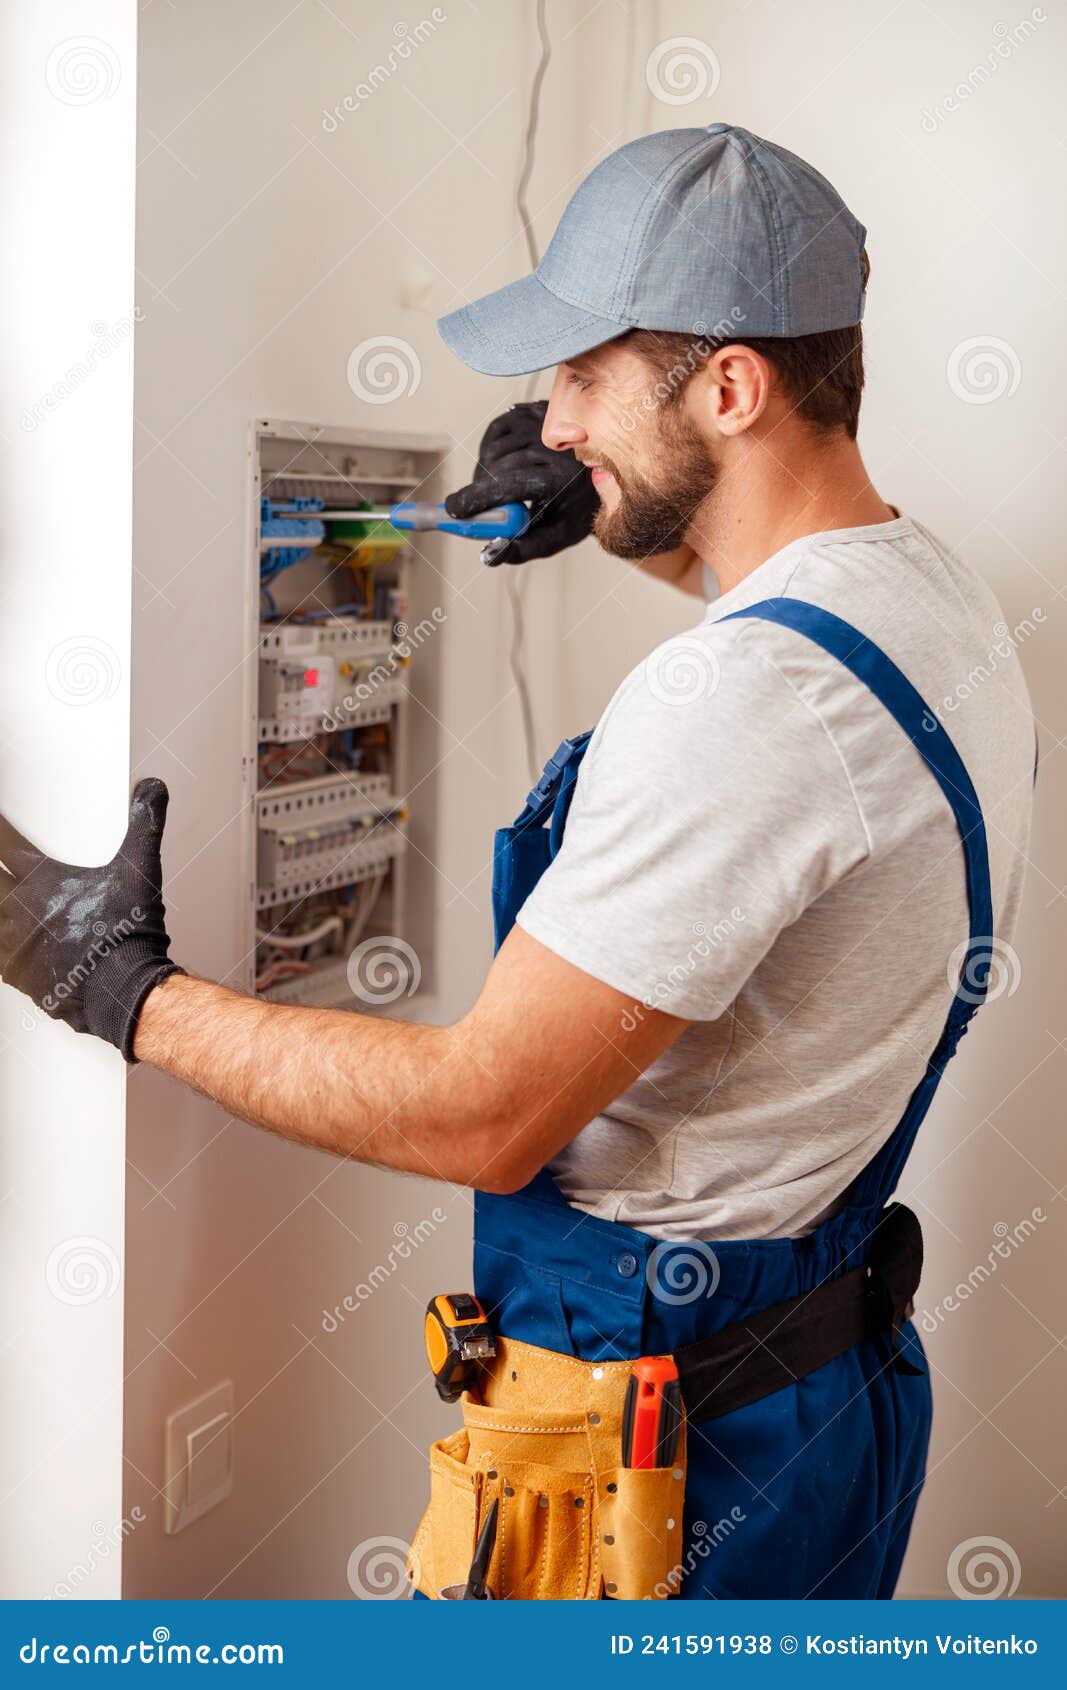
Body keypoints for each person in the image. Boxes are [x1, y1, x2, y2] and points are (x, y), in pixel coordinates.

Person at [0, 125, 1035, 1599]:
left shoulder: (738, 700)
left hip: (664, 1469)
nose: (551, 423)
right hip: (826, 1398)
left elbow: (485, 1115)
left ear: (732, 388)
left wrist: (115, 987)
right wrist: (632, 510)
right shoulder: (930, 602)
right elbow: (796, 735)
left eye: (582, 377)